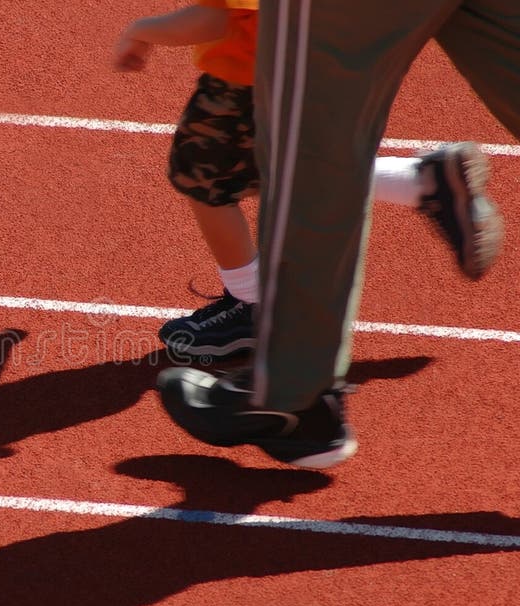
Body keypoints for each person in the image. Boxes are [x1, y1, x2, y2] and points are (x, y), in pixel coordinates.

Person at [154, 0, 508, 468]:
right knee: (270, 164)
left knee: (302, 161)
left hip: (255, 66)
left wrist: (142, 32)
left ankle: (292, 392)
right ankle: (423, 181)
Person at [115, 2, 503, 360]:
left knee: (203, 179)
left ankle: (252, 304)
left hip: (247, 79)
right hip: (305, 65)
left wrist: (142, 30)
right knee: (281, 169)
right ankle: (421, 182)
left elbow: (215, 18)